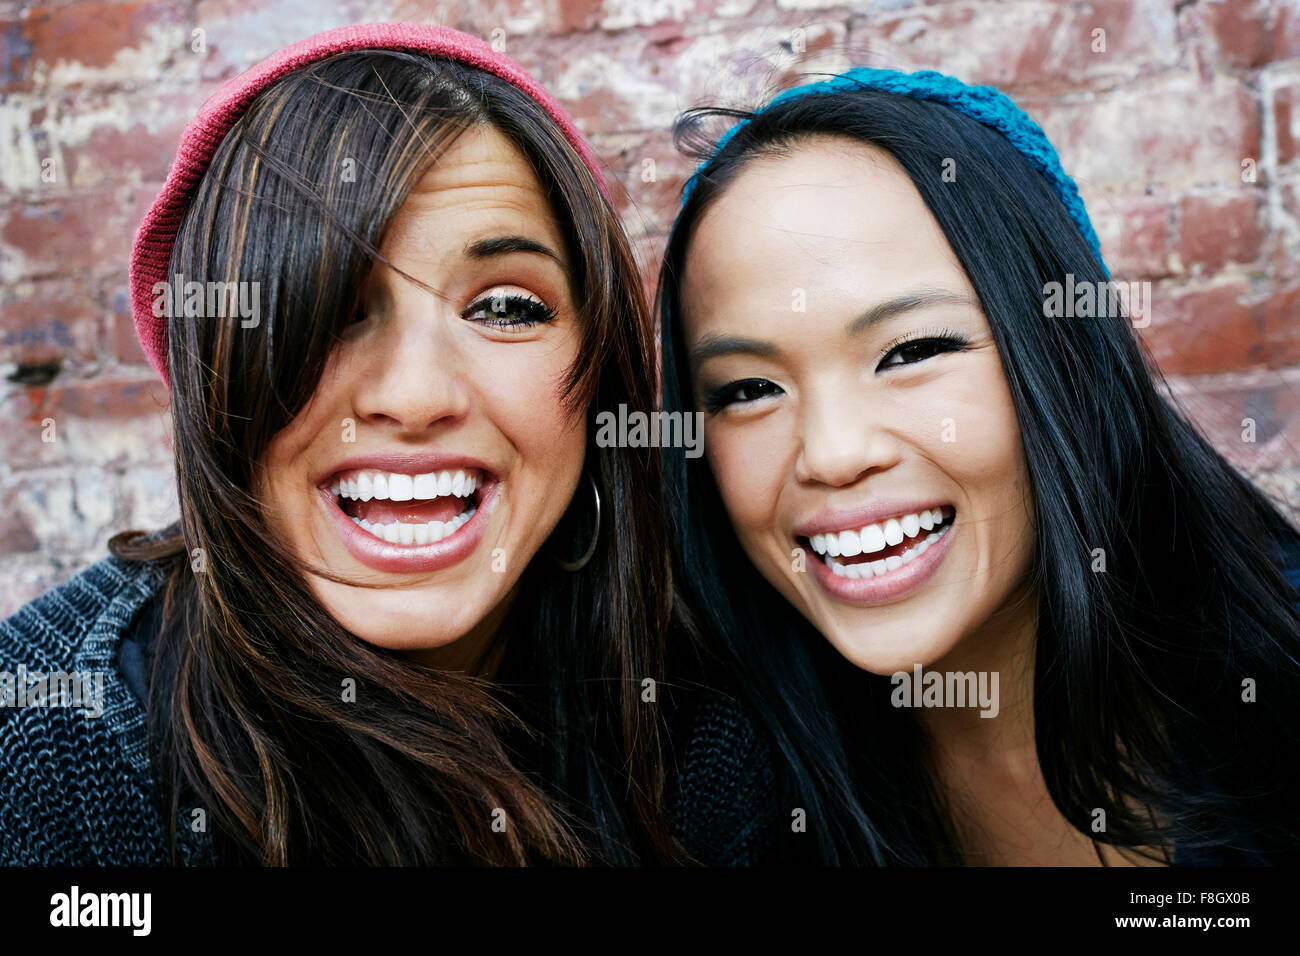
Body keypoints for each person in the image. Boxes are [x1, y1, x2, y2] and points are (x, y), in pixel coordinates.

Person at [0, 23, 680, 866]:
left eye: (505, 307)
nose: (416, 395)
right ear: (217, 376)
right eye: (325, 307)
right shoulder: (47, 748)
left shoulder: (702, 710)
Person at [656, 67, 1300, 865]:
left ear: (1069, 357)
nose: (833, 452)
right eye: (750, 389)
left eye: (913, 351)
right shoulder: (707, 802)